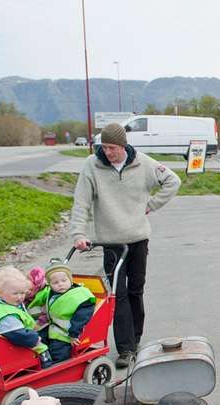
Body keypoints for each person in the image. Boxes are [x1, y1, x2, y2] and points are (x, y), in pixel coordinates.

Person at [70, 123, 181, 368]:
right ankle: (125, 348)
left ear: (123, 146)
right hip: (111, 242)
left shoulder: (143, 163)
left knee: (135, 291)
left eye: (112, 148)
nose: (108, 152)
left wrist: (152, 204)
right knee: (117, 295)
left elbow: (173, 181)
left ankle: (136, 337)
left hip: (138, 238)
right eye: (104, 147)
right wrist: (78, 233)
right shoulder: (92, 165)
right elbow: (81, 203)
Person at [0, 266, 52, 367]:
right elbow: (17, 335)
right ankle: (47, 366)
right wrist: (35, 338)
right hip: (8, 351)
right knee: (43, 347)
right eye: (15, 293)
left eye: (22, 293)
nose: (20, 297)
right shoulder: (7, 315)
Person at [27, 260, 97, 363]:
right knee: (39, 341)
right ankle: (41, 362)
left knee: (57, 352)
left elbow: (81, 317)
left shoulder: (79, 296)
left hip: (67, 335)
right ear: (49, 285)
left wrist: (74, 334)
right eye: (55, 282)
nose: (60, 284)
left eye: (64, 281)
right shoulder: (52, 293)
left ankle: (56, 368)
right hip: (53, 329)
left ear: (71, 280)